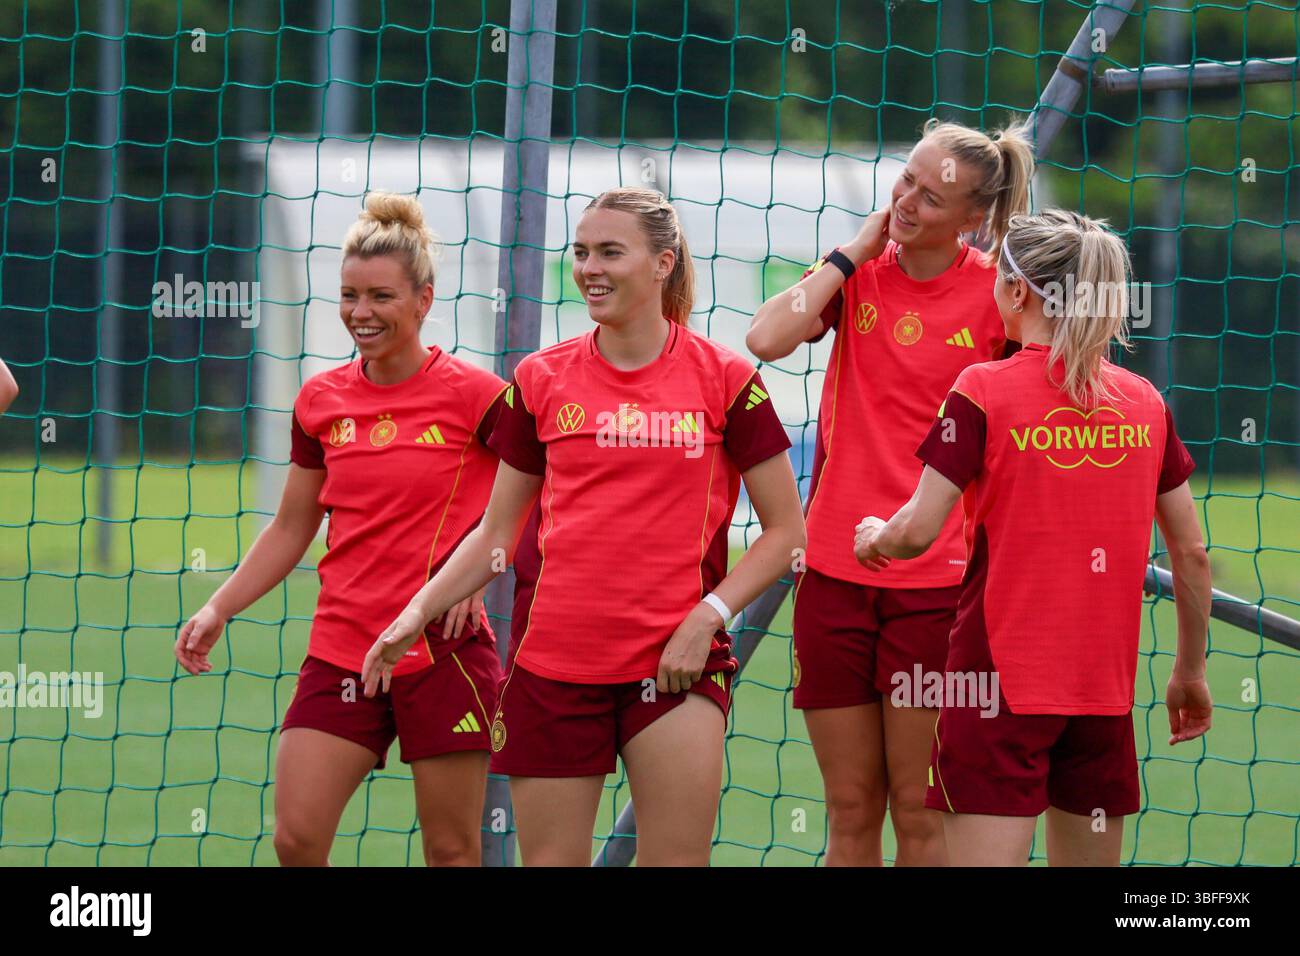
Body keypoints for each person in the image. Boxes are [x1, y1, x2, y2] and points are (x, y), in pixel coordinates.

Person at [362, 186, 806, 866]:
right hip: (554, 671)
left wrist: (707, 618)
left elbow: (786, 533)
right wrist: (414, 613)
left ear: (663, 264)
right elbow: (495, 536)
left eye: (609, 252)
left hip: (676, 670)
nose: (589, 268)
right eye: (580, 253)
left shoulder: (726, 379)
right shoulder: (539, 379)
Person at [853, 209, 1213, 866]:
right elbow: (1191, 554)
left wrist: (874, 534)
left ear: (1017, 292)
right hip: (1102, 697)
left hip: (996, 686)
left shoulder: (982, 389)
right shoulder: (1145, 402)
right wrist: (1189, 671)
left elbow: (915, 532)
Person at [175, 192, 507, 866]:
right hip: (342, 649)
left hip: (443, 651)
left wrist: (482, 569)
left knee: (451, 849)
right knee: (296, 839)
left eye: (381, 296)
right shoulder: (320, 401)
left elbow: (534, 501)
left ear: (423, 299)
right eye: (350, 295)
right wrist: (221, 606)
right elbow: (291, 528)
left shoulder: (479, 397)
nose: (361, 312)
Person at [746, 118, 1035, 865]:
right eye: (906, 178)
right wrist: (848, 255)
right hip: (835, 581)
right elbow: (766, 340)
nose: (907, 200)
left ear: (974, 220)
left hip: (937, 588)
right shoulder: (858, 274)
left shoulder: (994, 296)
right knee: (849, 810)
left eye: (932, 198)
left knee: (917, 811)